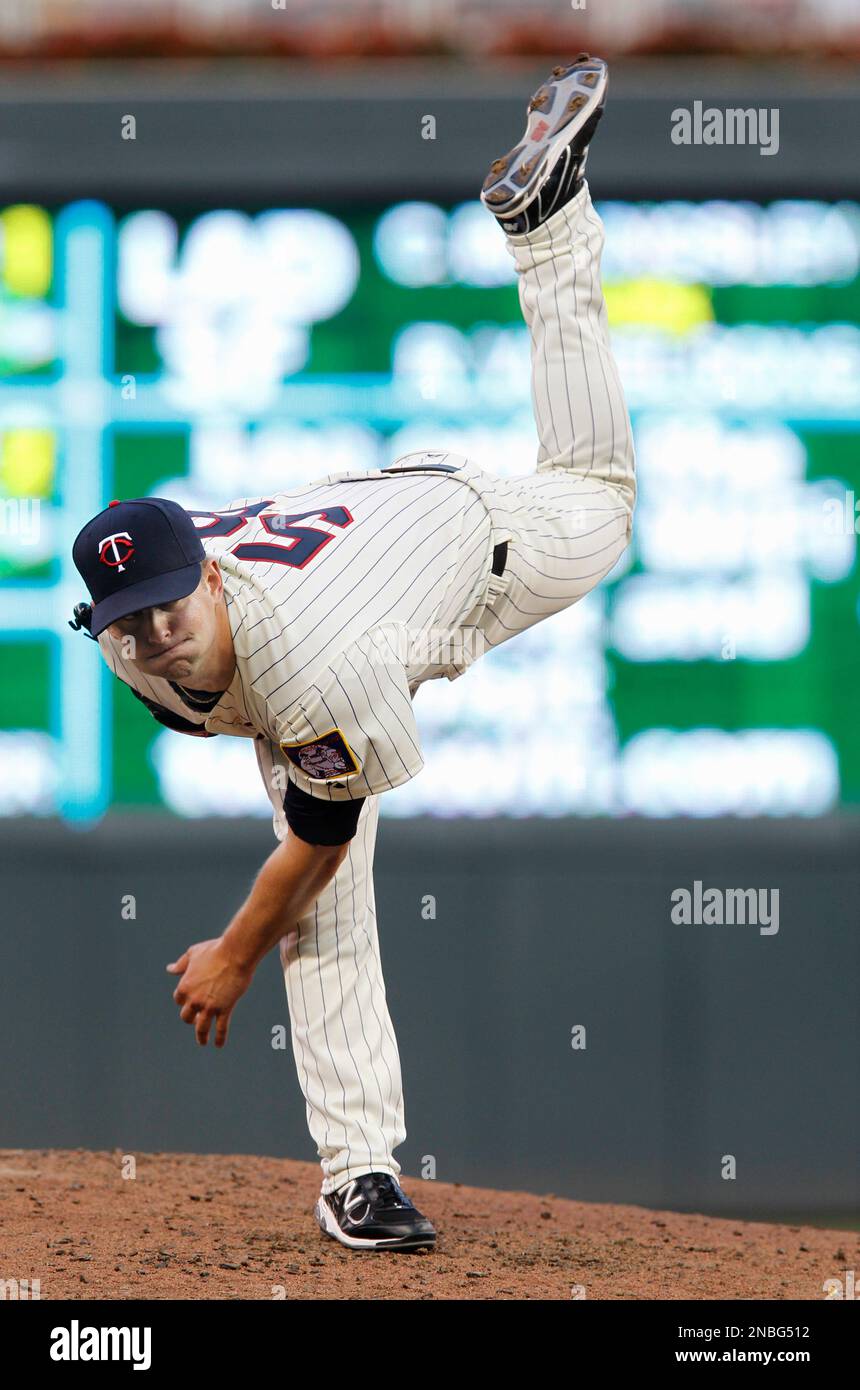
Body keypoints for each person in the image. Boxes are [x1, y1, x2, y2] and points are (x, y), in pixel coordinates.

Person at [70, 53, 635, 1252]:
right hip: (347, 536)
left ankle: (544, 227)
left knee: (600, 498)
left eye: (170, 601)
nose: (152, 628)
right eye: (128, 617)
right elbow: (200, 674)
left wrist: (228, 953)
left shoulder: (316, 662)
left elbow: (316, 836)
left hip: (462, 538)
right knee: (321, 896)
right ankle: (357, 1173)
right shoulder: (132, 632)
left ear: (208, 576)